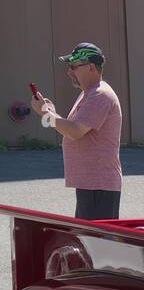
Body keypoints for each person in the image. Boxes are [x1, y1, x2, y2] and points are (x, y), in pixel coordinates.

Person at [29, 42, 123, 220]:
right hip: (91, 184)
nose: (69, 71)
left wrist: (45, 113)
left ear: (92, 68)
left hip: (98, 185)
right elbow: (70, 128)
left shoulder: (100, 95)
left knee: (95, 244)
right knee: (87, 242)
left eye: (74, 66)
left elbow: (75, 131)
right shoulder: (89, 93)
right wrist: (50, 113)